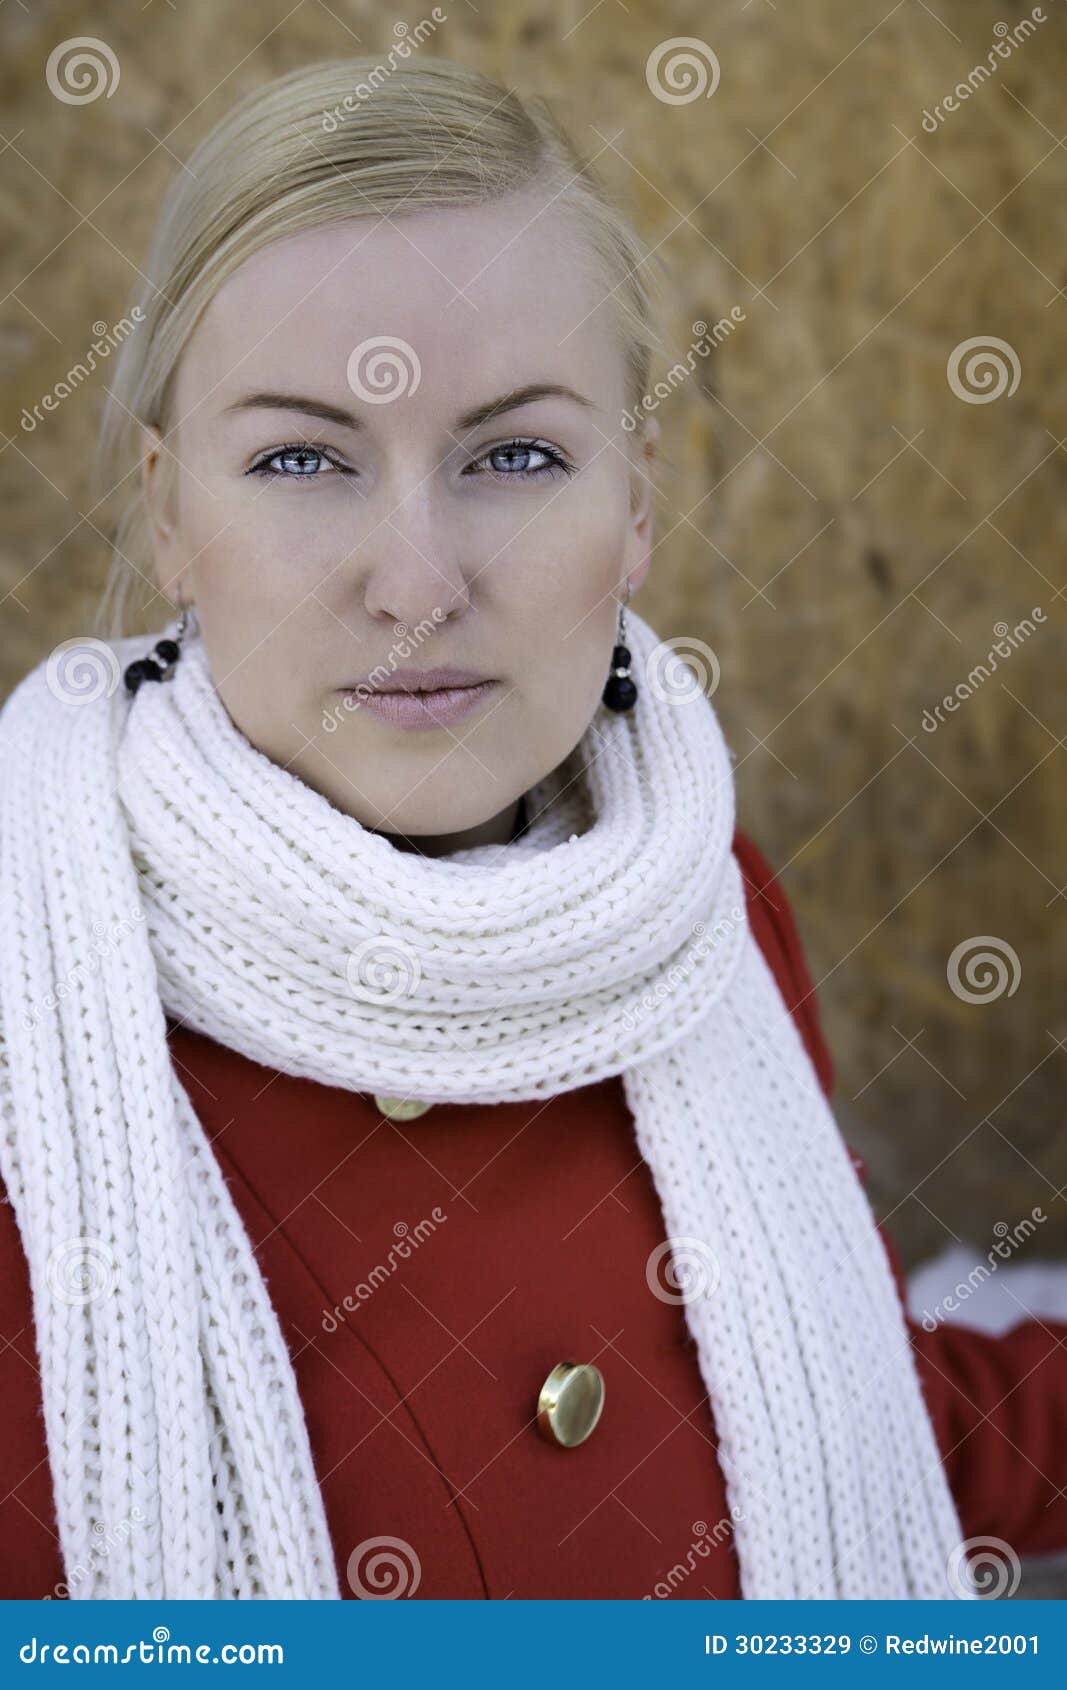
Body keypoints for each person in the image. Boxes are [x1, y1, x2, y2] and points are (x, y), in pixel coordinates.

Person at [0, 55, 1063, 1603]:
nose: (417, 581)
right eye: (303, 458)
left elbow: (840, 1433)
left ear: (635, 504)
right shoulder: (33, 993)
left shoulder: (702, 915)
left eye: (516, 457)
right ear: (168, 514)